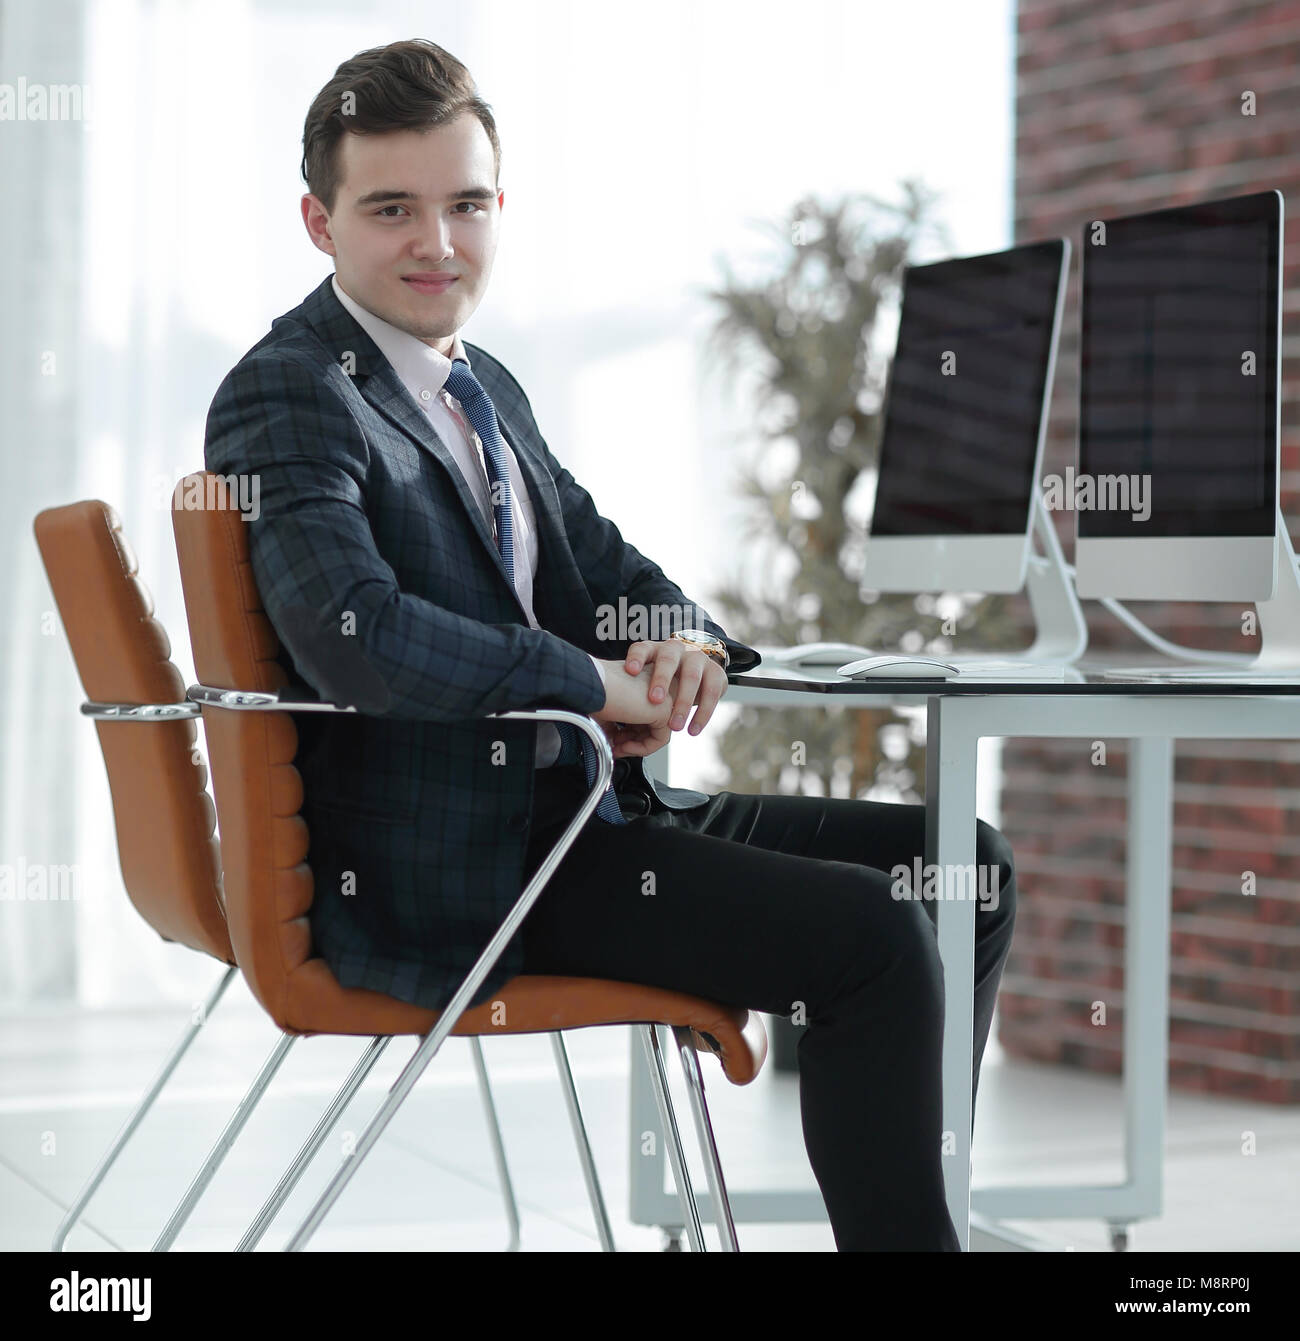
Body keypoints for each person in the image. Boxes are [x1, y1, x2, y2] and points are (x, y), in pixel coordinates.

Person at [204, 37, 1017, 1251]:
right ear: (319, 223)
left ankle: (907, 1221)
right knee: (877, 938)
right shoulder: (291, 392)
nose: (437, 243)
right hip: (478, 872)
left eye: (465, 204)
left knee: (966, 870)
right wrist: (586, 680)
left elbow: (609, 565)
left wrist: (683, 642)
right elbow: (353, 637)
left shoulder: (479, 387)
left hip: (590, 819)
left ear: (498, 206)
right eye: (392, 210)